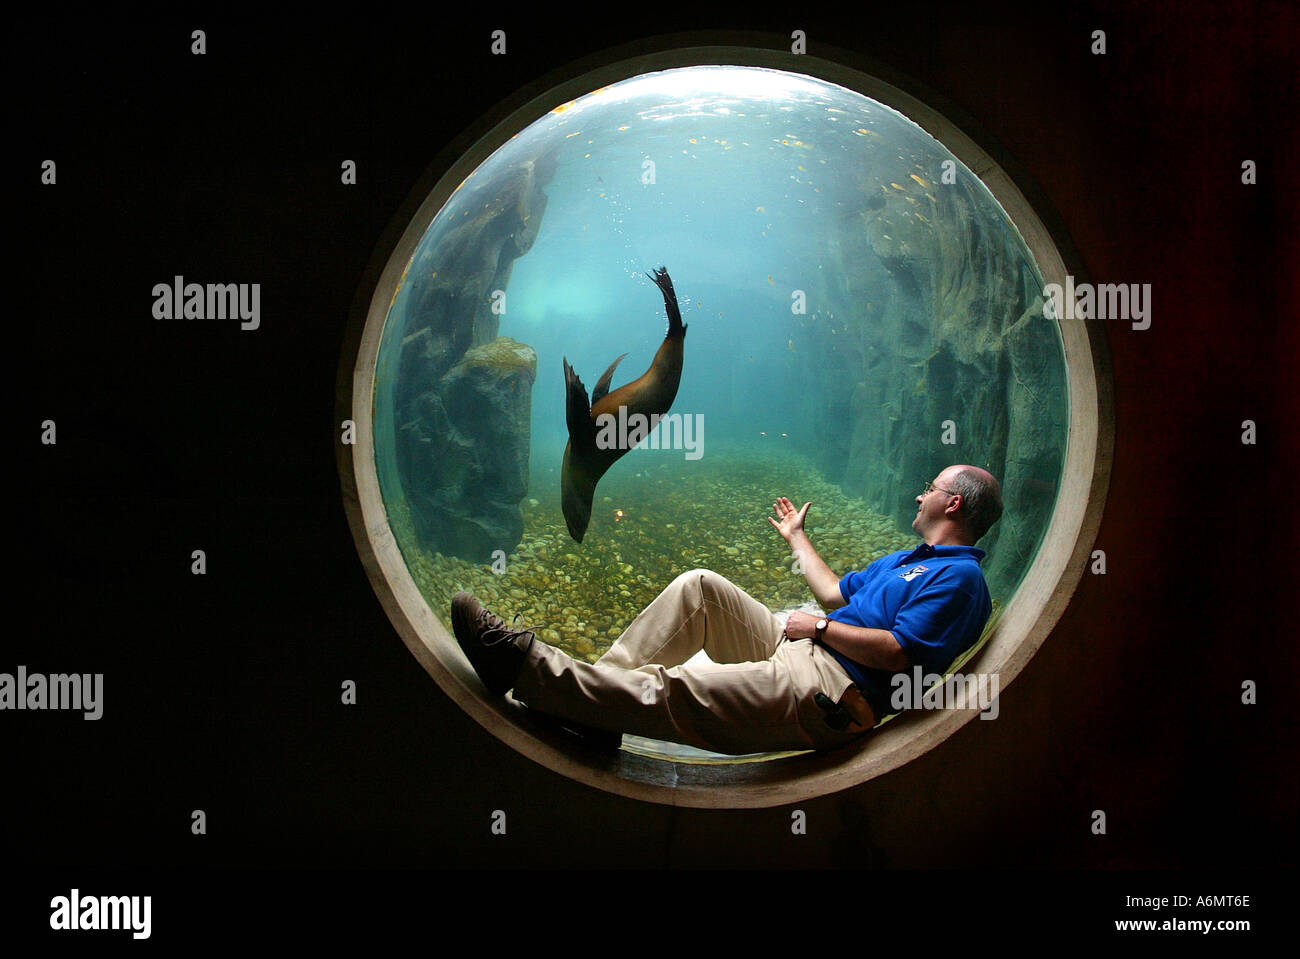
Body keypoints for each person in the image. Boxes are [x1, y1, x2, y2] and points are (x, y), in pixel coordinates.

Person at [451, 464, 1002, 755]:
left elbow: (901, 656)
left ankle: (522, 665)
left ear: (952, 503)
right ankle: (595, 710)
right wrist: (797, 538)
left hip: (833, 691)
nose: (919, 496)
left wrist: (821, 628)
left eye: (930, 489)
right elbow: (836, 594)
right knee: (700, 588)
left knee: (679, 691)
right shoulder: (910, 560)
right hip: (801, 645)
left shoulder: (961, 579)